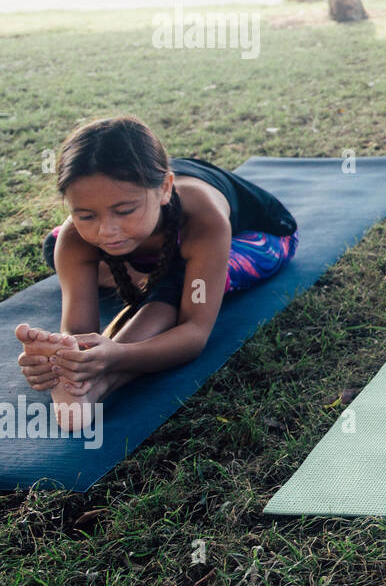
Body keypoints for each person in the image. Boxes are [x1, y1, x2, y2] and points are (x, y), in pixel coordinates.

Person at [14, 115, 299, 430]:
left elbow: (193, 333)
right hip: (156, 248)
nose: (107, 230)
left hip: (260, 238)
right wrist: (65, 359)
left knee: (176, 280)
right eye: (85, 215)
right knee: (54, 247)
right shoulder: (77, 237)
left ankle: (98, 387)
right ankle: (91, 376)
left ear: (165, 189)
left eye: (124, 211)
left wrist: (113, 358)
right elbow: (78, 331)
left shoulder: (204, 218)